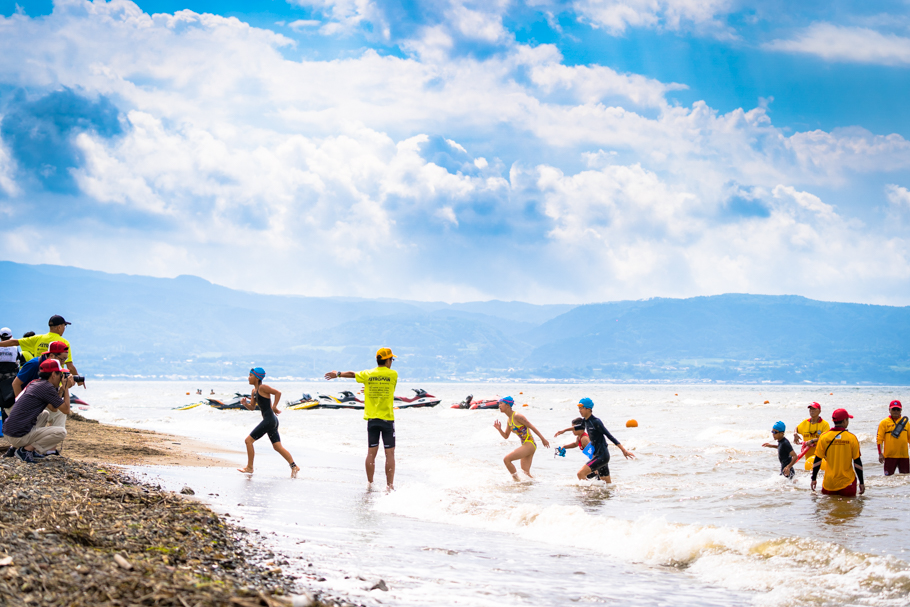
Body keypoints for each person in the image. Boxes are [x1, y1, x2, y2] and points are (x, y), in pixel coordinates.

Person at [325, 347, 398, 490]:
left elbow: (353, 374)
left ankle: (370, 484)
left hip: (372, 420)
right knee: (389, 453)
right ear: (388, 360)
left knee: (371, 452)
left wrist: (338, 374)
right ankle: (389, 486)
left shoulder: (368, 374)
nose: (392, 362)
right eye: (392, 359)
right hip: (387, 419)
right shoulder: (393, 374)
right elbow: (388, 389)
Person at [3, 359, 72, 463]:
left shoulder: (36, 383)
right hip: (18, 436)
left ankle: (19, 449)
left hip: (10, 432)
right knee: (61, 432)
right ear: (53, 374)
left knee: (44, 414)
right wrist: (67, 388)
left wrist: (61, 390)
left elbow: (54, 408)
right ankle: (26, 451)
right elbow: (66, 410)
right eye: (60, 374)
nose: (61, 378)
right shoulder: (47, 388)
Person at [236, 368, 299, 477]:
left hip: (269, 420)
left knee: (248, 441)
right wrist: (245, 403)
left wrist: (274, 406)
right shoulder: (254, 391)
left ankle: (250, 467)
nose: (248, 377)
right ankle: (294, 466)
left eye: (250, 375)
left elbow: (278, 393)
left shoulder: (263, 387)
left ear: (257, 377)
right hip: (271, 420)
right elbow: (252, 407)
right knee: (277, 447)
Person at [0, 315, 82, 386]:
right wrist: (78, 380)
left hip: (38, 381)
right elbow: (70, 366)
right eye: (65, 326)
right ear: (59, 327)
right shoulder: (64, 343)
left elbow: (14, 342)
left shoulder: (38, 338)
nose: (64, 329)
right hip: (55, 382)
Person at [575, 398, 635, 483]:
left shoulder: (596, 422)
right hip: (600, 456)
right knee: (607, 486)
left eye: (581, 408)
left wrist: (624, 450)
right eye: (579, 408)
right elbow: (578, 427)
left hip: (602, 456)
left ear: (588, 409)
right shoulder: (585, 421)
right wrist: (563, 431)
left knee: (580, 474)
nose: (579, 410)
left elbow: (609, 436)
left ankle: (589, 494)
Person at [492, 396, 550, 481]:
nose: (499, 405)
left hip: (529, 444)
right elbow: (506, 436)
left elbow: (531, 426)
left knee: (507, 459)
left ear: (508, 405)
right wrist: (499, 429)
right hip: (526, 445)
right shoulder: (509, 420)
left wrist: (543, 439)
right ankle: (537, 486)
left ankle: (516, 481)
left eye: (501, 403)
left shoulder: (517, 416)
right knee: (526, 475)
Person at [811, 408, 864, 496]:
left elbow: (817, 460)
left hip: (829, 483)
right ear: (844, 421)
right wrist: (861, 482)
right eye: (847, 419)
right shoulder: (851, 438)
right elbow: (857, 462)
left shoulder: (824, 437)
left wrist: (813, 479)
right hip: (847, 483)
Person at [793, 402, 830, 471]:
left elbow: (825, 438)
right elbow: (797, 428)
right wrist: (795, 434)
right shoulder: (805, 422)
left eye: (814, 409)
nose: (811, 411)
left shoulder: (825, 424)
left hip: (822, 458)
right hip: (809, 460)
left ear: (819, 411)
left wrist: (812, 441)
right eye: (810, 409)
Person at [876, 400, 909, 476]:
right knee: (888, 479)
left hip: (904, 456)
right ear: (889, 410)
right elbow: (879, 439)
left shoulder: (906, 422)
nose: (896, 411)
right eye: (893, 409)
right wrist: (880, 454)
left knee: (906, 480)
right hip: (889, 456)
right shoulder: (884, 422)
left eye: (898, 409)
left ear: (901, 410)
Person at [0, 327, 23, 422]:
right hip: (11, 380)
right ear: (11, 337)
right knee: (9, 404)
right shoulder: (15, 349)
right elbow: (21, 362)